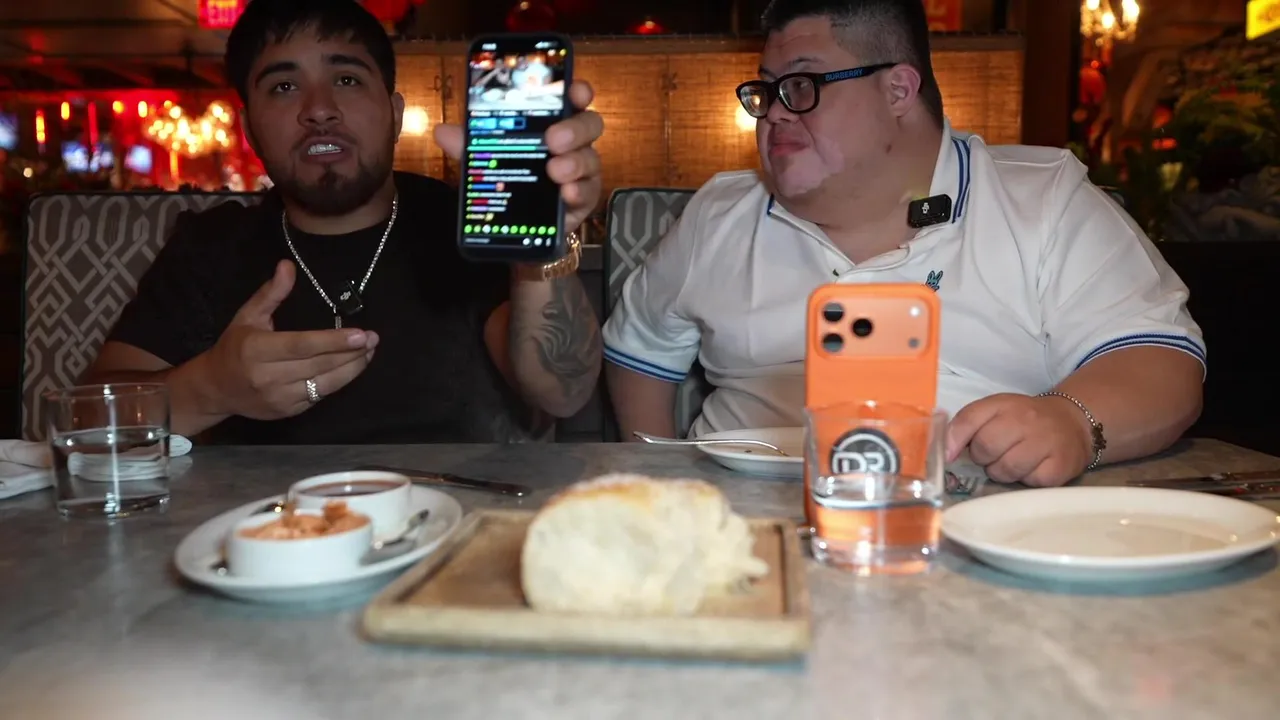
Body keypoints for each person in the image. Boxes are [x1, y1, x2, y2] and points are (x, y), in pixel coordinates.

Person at [602, 0, 1205, 487]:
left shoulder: (1043, 200)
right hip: (747, 529)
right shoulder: (719, 214)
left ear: (897, 90)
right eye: (767, 90)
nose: (774, 115)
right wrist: (662, 484)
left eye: (802, 85)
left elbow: (1162, 363)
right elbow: (639, 353)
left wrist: (1073, 422)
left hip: (973, 527)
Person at [82, 0, 604, 445]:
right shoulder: (211, 245)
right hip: (265, 523)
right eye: (284, 86)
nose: (319, 109)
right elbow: (83, 420)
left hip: (456, 517)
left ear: (394, 114)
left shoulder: (461, 222)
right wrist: (211, 388)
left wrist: (543, 247)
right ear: (250, 130)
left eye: (347, 79)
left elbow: (562, 392)